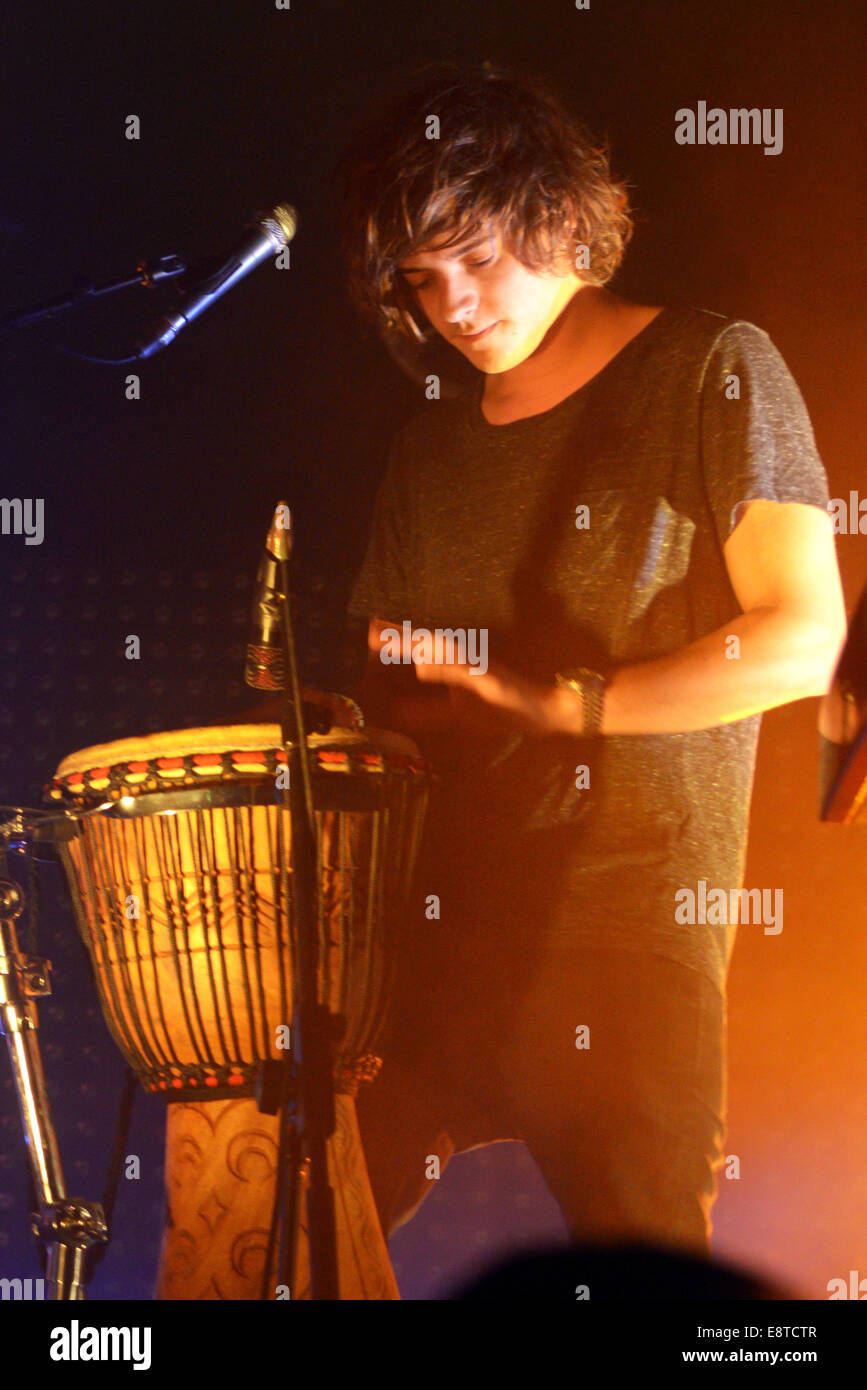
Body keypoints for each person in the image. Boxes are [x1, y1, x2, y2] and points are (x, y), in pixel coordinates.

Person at [334, 62, 846, 1264]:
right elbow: (399, 709)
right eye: (420, 277)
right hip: (438, 945)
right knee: (295, 1231)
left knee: (659, 1279)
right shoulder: (427, 451)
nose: (452, 302)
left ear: (555, 210)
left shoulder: (714, 363)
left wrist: (565, 700)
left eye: (474, 253)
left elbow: (802, 636)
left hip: (631, 923)